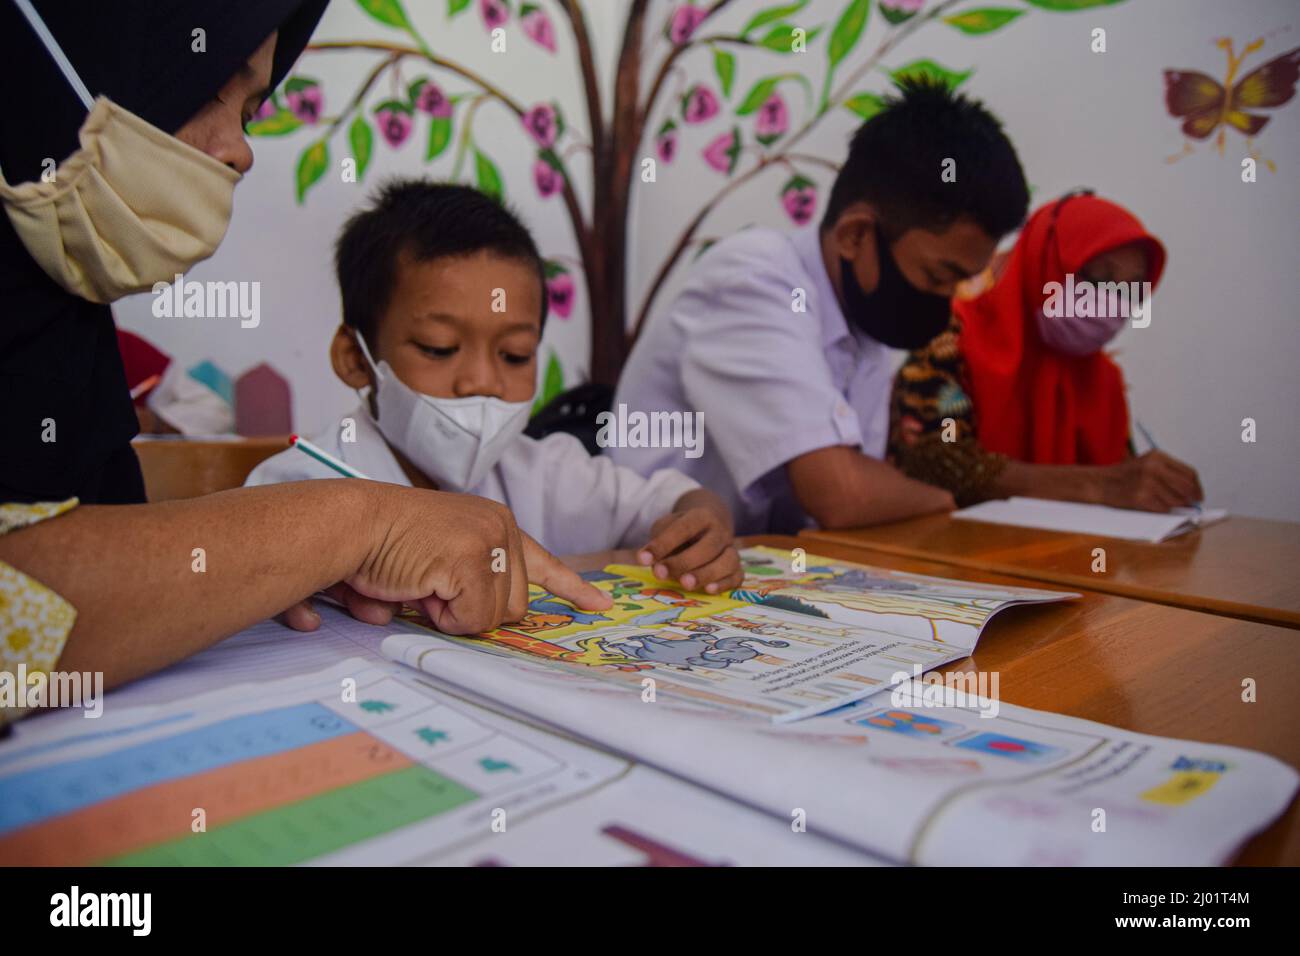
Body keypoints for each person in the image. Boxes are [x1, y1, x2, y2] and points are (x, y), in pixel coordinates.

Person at [0, 0, 606, 709]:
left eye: (251, 111)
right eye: (205, 89)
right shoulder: (313, 468)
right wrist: (356, 526)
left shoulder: (61, 335)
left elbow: (68, 586)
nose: (242, 150)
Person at [248, 180, 743, 624]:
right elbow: (251, 564)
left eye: (514, 354)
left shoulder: (541, 470)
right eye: (438, 348)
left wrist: (703, 526)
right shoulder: (304, 481)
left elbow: (671, 500)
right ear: (355, 358)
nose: (483, 381)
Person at [610, 79, 1030, 534]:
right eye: (935, 276)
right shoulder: (752, 277)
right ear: (854, 235)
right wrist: (943, 499)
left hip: (751, 573)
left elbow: (854, 496)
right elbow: (842, 495)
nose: (945, 304)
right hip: (642, 572)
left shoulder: (868, 322)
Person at [889, 191, 1203, 510]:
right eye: (1098, 276)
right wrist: (1098, 485)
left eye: (1130, 287)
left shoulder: (1103, 381)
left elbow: (1124, 483)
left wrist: (1156, 488)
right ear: (1043, 262)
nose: (1111, 300)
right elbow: (935, 462)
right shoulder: (952, 339)